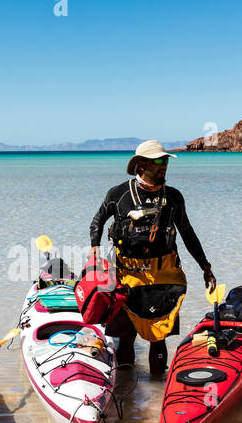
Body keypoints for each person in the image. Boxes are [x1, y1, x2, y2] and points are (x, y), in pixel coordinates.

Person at [88, 140, 215, 375]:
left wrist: (205, 266)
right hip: (126, 275)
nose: (163, 165)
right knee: (126, 337)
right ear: (141, 165)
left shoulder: (174, 197)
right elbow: (97, 221)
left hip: (164, 275)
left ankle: (157, 388)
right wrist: (95, 250)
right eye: (158, 161)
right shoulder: (118, 194)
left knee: (160, 337)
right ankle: (127, 396)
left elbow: (187, 232)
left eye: (165, 160)